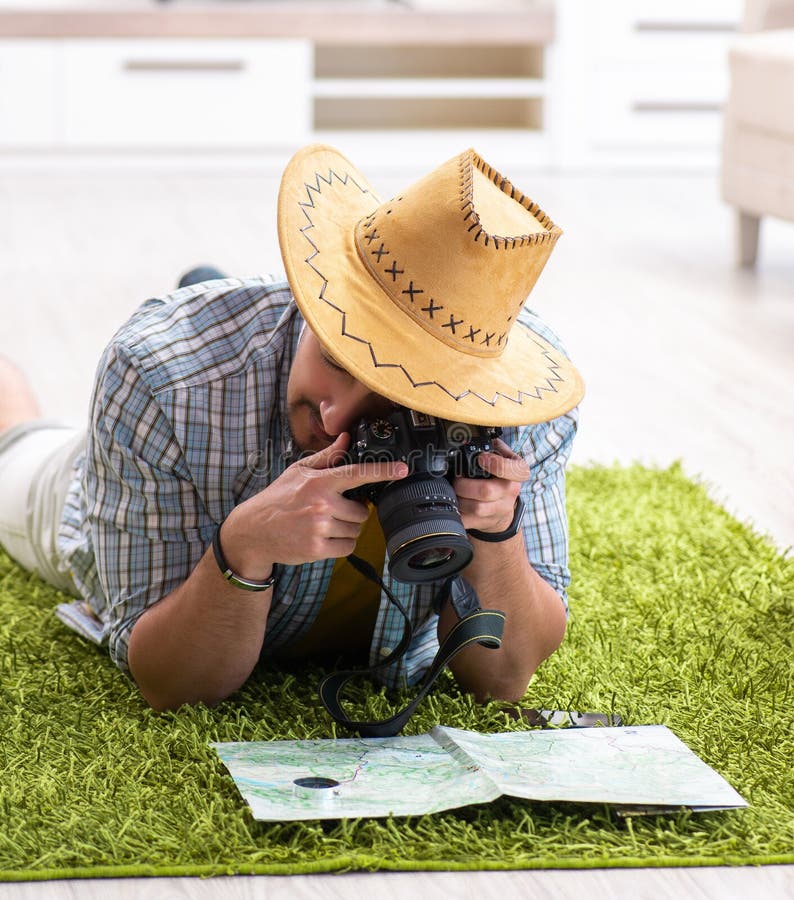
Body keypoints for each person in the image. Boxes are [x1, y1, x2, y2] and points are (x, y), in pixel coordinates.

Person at [0, 144, 584, 716]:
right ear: (310, 308)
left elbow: (505, 678)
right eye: (336, 357)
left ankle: (223, 290)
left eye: (393, 404)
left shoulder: (509, 406)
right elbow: (170, 685)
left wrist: (496, 534)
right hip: (100, 483)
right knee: (17, 444)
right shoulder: (161, 374)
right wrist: (241, 549)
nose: (333, 419)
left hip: (243, 384)